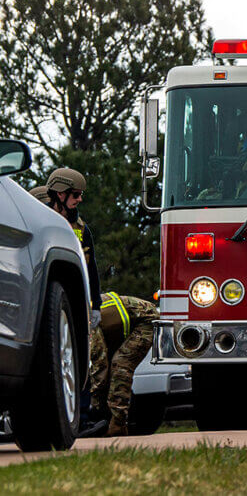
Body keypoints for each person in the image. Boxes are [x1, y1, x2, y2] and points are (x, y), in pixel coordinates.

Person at [81, 292, 159, 437]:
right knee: (112, 369)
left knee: (120, 366)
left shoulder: (89, 321)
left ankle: (118, 424)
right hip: (132, 322)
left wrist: (92, 404)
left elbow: (100, 366)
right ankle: (111, 418)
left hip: (147, 320)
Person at [45, 167, 101, 310]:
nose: (80, 199)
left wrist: (96, 306)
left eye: (81, 195)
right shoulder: (39, 219)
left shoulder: (82, 229)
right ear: (60, 193)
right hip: (45, 294)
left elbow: (91, 269)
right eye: (76, 195)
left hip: (73, 299)